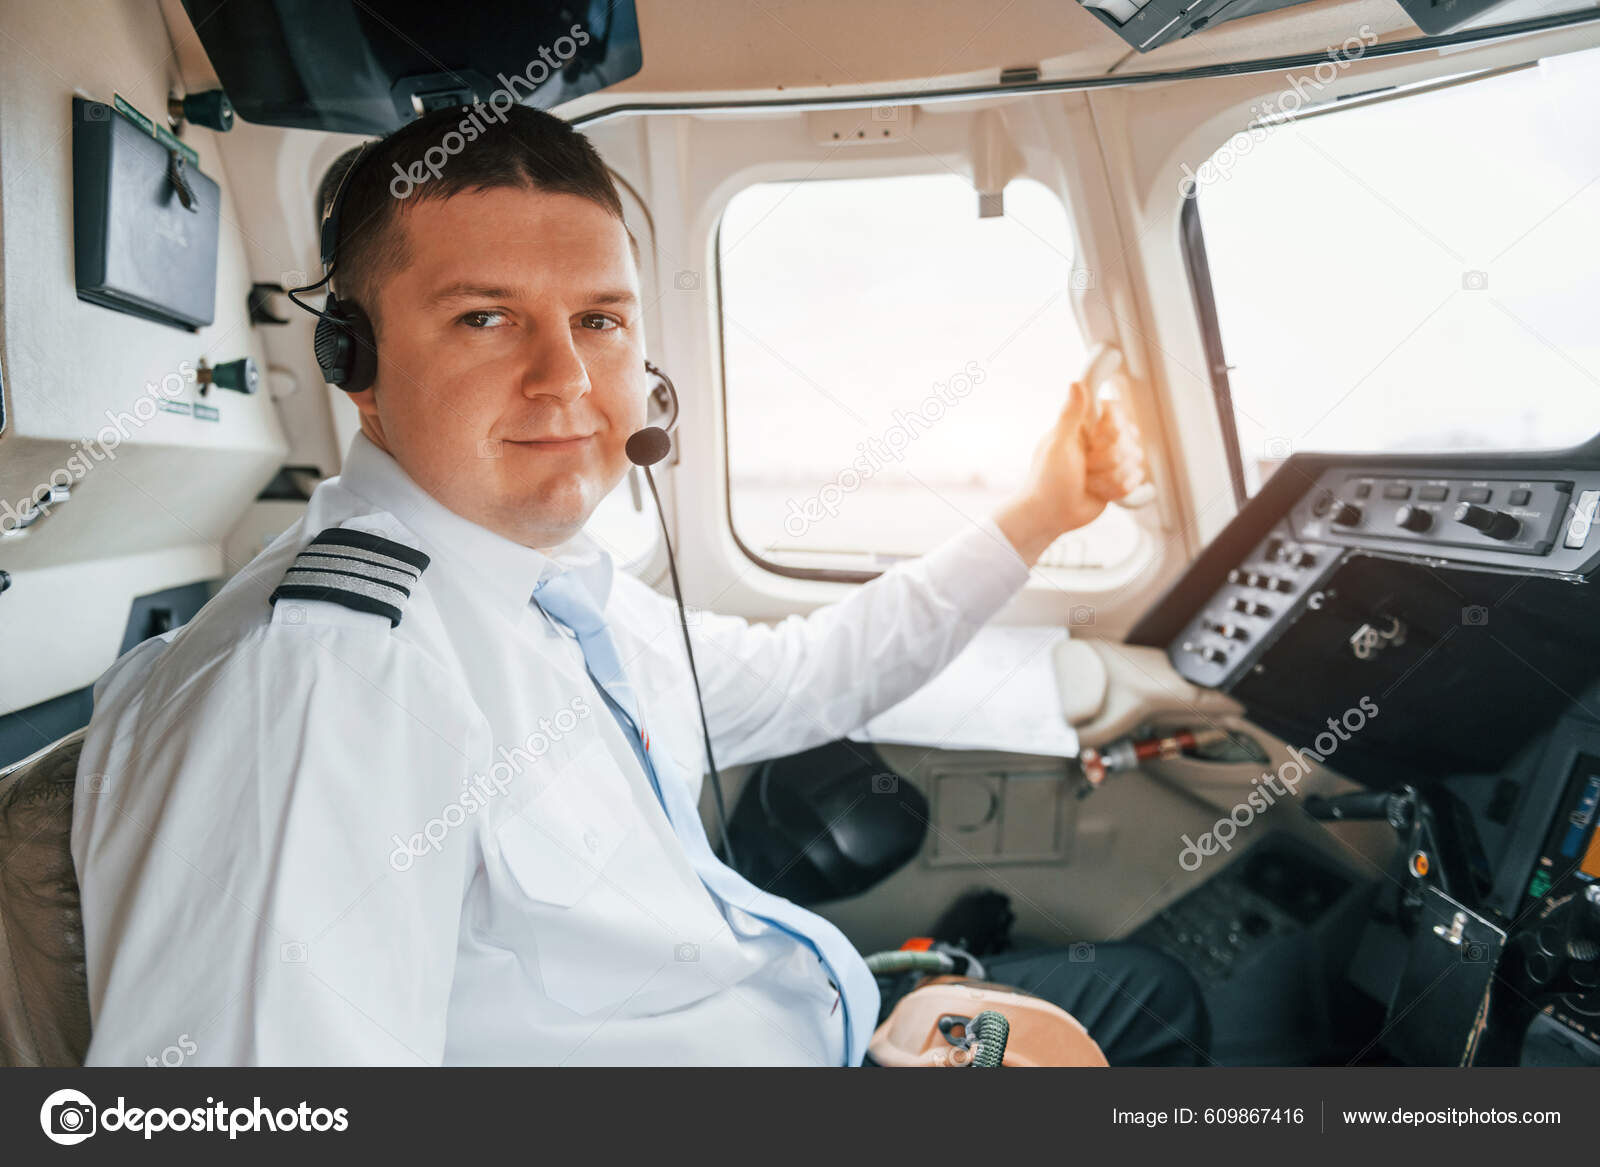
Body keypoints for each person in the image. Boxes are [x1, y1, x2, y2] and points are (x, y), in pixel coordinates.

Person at [71, 103, 1205, 1066]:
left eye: (599, 321)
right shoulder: (329, 679)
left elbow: (812, 676)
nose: (566, 380)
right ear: (354, 369)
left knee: (1147, 995)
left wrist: (1043, 513)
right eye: (485, 318)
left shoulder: (559, 591)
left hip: (825, 1038)